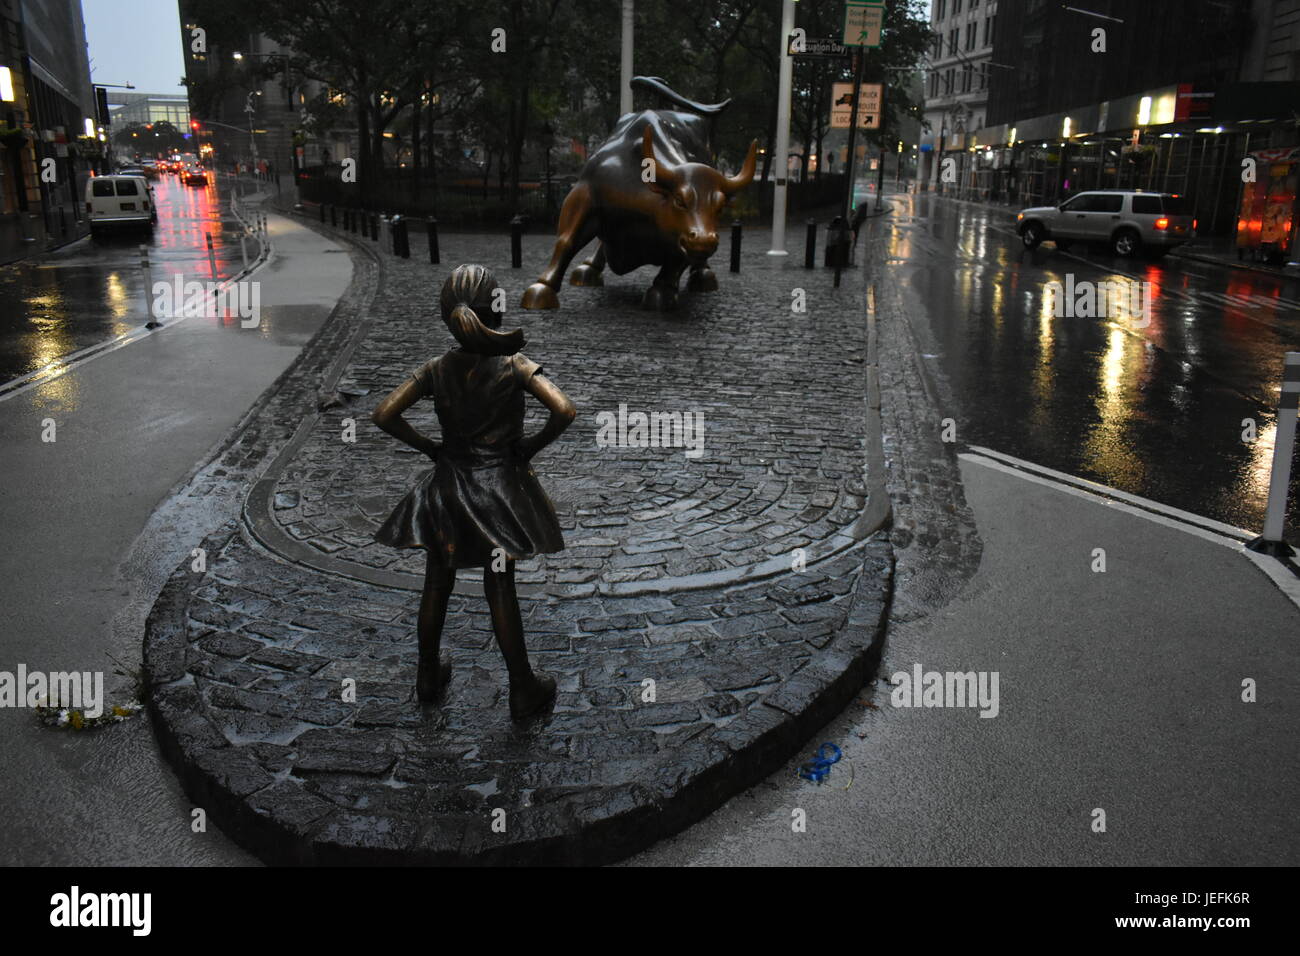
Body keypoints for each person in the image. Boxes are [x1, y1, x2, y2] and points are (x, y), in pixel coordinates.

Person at [372, 264, 575, 719]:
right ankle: (522, 686)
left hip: (446, 487)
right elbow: (564, 409)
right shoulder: (514, 365)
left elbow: (383, 414)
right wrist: (528, 448)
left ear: (450, 317)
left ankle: (427, 675)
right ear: (495, 311)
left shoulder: (436, 368)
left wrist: (430, 448)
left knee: (437, 581)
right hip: (498, 492)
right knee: (499, 583)